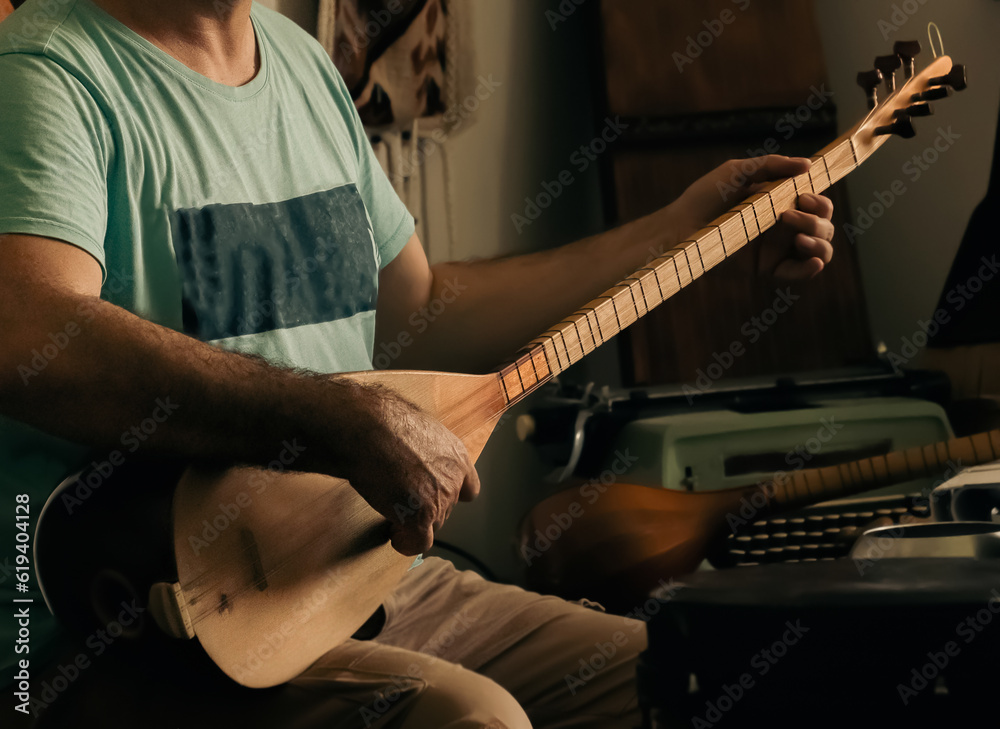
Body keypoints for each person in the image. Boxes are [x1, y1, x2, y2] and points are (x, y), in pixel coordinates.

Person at [0, 0, 836, 726]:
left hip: (361, 582)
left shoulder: (298, 61)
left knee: (699, 678)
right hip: (144, 627)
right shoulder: (50, 69)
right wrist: (335, 421)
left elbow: (424, 316)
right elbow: (28, 337)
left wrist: (682, 230)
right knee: (473, 718)